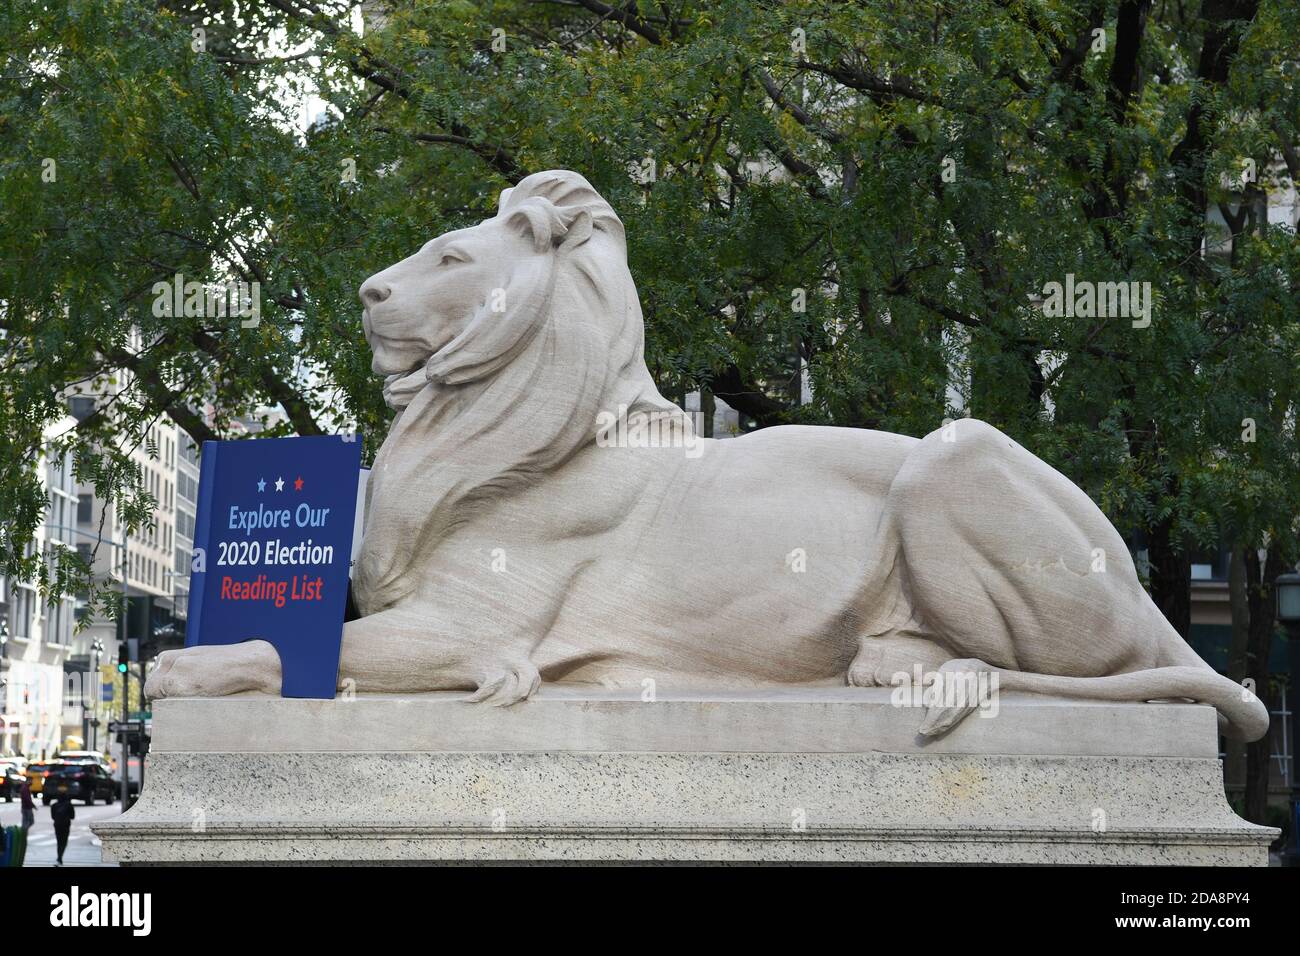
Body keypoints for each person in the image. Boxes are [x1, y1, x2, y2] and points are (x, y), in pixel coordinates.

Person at [50, 793, 74, 866]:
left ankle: (59, 857)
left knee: (59, 842)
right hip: (65, 825)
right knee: (64, 842)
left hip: (57, 825)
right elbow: (72, 816)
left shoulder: (54, 805)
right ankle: (60, 857)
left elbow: (53, 817)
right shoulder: (69, 805)